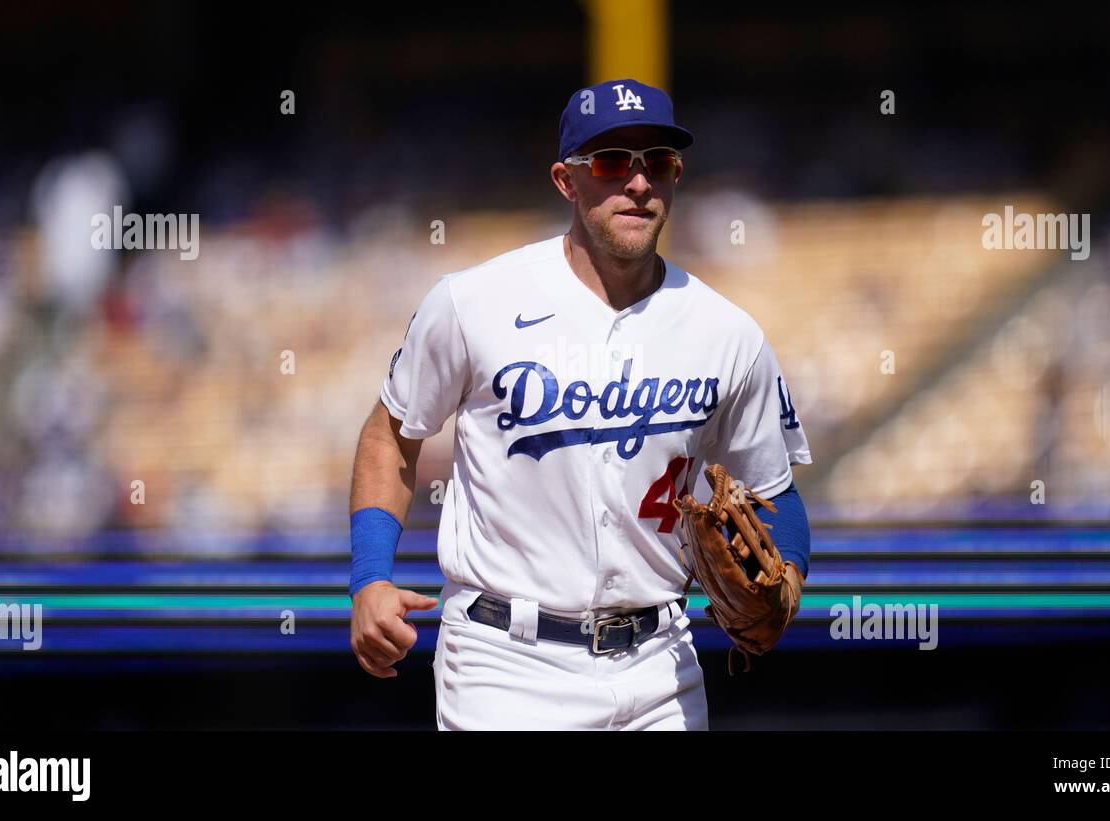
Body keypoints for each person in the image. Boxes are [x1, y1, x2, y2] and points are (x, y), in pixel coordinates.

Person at [348, 78, 812, 730]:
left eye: (658, 162)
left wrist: (789, 570)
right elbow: (389, 435)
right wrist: (370, 575)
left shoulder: (725, 330)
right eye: (613, 162)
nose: (639, 182)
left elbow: (775, 489)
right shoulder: (473, 302)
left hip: (661, 661)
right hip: (505, 661)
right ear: (567, 181)